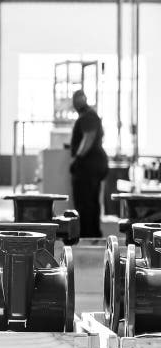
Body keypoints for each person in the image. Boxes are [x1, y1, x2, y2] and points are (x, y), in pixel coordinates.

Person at [69, 90, 109, 237]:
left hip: (88, 166)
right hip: (93, 165)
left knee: (85, 201)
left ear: (82, 100)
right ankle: (91, 233)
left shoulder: (88, 116)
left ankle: (88, 233)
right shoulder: (89, 116)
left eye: (77, 100)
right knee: (90, 201)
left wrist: (78, 158)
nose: (75, 103)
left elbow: (89, 137)